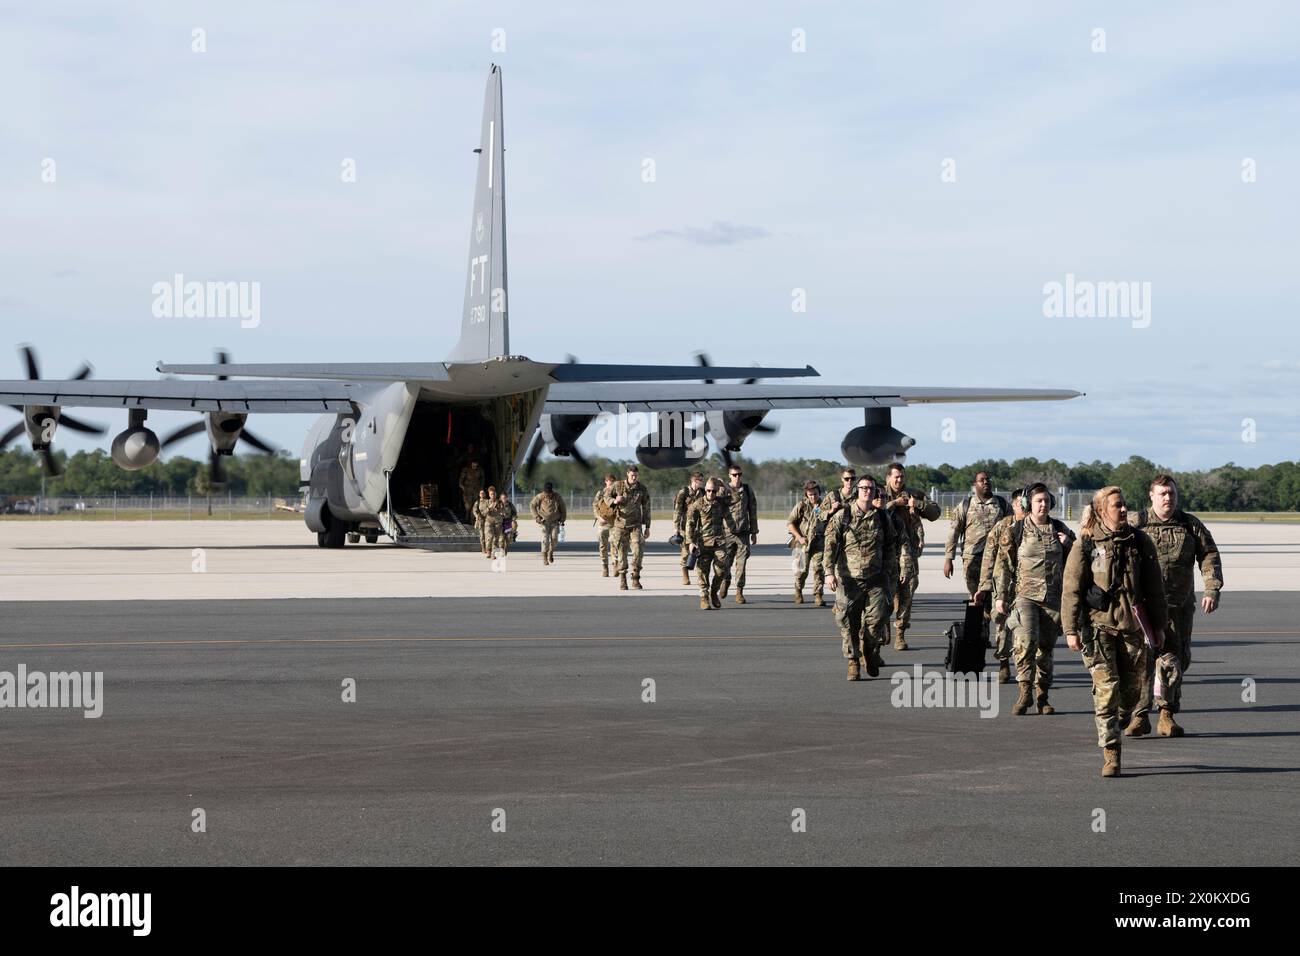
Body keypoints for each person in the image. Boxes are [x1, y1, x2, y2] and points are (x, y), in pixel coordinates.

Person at [1063, 486, 1168, 778]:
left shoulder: (1139, 541)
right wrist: (1071, 629)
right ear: (1100, 511)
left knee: (1132, 695)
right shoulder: (1085, 544)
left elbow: (1155, 588)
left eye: (1125, 505)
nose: (1123, 510)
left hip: (1132, 629)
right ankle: (1111, 752)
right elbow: (1071, 588)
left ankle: (1119, 721)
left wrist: (1158, 627)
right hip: (1098, 628)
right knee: (1106, 689)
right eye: (1117, 506)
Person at [1125, 474, 1223, 737]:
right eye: (1163, 493)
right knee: (1141, 661)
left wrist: (1212, 588)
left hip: (1177, 607)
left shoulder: (1190, 525)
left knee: (1173, 661)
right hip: (1141, 609)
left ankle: (1166, 714)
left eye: (1172, 493)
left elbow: (1209, 555)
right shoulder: (1136, 524)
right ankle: (1140, 715)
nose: (1168, 498)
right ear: (1152, 495)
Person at [993, 483, 1075, 716]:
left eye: (1046, 501)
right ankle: (1025, 691)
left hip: (1052, 599)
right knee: (1025, 643)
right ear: (1029, 504)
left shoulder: (1060, 528)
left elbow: (1080, 557)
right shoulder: (1016, 531)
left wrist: (1068, 544)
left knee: (1045, 650)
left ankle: (1043, 696)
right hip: (1025, 596)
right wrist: (1001, 596)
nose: (1043, 505)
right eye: (1038, 501)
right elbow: (1003, 566)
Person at [823, 475, 906, 680]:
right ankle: (853, 662)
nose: (867, 491)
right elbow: (830, 546)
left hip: (876, 579)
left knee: (877, 620)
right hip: (849, 580)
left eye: (871, 488)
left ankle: (869, 650)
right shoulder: (843, 516)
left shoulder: (882, 517)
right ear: (857, 490)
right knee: (847, 623)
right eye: (863, 488)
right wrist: (828, 572)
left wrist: (890, 576)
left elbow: (890, 548)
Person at [944, 471, 1009, 641]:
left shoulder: (1001, 504)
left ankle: (994, 633)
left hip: (996, 560)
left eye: (988, 479)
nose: (986, 482)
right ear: (975, 484)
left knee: (994, 596)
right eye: (982, 480)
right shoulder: (965, 505)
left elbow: (1012, 527)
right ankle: (980, 633)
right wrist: (948, 559)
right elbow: (953, 532)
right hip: (973, 559)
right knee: (976, 598)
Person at [883, 462, 940, 650]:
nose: (899, 480)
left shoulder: (913, 494)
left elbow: (935, 513)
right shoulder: (878, 493)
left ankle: (900, 632)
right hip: (885, 554)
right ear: (888, 478)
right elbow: (872, 511)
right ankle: (883, 626)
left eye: (902, 476)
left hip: (908, 553)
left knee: (907, 591)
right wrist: (893, 504)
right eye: (896, 476)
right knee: (884, 595)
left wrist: (919, 504)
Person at [975, 488, 1025, 683]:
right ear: (1013, 506)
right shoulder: (1002, 526)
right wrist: (984, 586)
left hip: (1028, 585)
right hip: (1003, 584)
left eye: (1025, 503)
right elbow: (989, 557)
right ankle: (1004, 663)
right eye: (1019, 504)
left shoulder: (1037, 526)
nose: (1023, 507)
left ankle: (1026, 668)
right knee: (1002, 626)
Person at [686, 477, 740, 610]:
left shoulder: (721, 502)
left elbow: (736, 498)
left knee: (721, 571)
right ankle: (704, 598)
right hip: (703, 543)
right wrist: (691, 542)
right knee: (703, 572)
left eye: (714, 491)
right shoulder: (697, 504)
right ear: (705, 490)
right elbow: (690, 524)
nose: (711, 494)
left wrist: (725, 486)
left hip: (719, 542)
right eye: (708, 491)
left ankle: (714, 593)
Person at [720, 465, 759, 604]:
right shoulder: (723, 490)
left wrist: (754, 532)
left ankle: (739, 591)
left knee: (741, 564)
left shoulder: (747, 490)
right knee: (726, 563)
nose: (737, 477)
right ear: (729, 476)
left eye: (739, 474)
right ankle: (726, 580)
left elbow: (752, 511)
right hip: (727, 533)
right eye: (734, 475)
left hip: (743, 533)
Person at [610, 465, 651, 590]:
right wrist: (614, 500)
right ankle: (623, 579)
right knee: (622, 552)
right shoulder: (617, 486)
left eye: (636, 475)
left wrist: (647, 526)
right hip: (620, 524)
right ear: (627, 474)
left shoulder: (642, 489)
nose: (634, 477)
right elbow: (605, 497)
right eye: (632, 475)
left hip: (635, 525)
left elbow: (647, 508)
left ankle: (635, 577)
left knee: (638, 549)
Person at [786, 480, 826, 605]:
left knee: (819, 569)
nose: (813, 497)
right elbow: (790, 524)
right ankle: (798, 590)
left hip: (819, 542)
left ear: (819, 493)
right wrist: (799, 537)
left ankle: (818, 595)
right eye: (810, 495)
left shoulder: (824, 506)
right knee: (802, 570)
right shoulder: (801, 506)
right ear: (806, 495)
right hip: (803, 542)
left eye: (815, 494)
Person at [673, 473, 705, 585]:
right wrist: (676, 527)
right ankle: (685, 575)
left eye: (702, 480)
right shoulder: (684, 492)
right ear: (695, 481)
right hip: (685, 527)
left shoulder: (703, 493)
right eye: (700, 480)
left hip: (700, 527)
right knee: (686, 552)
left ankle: (701, 576)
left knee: (700, 552)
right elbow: (677, 510)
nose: (702, 482)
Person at [530, 481, 568, 565]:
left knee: (554, 539)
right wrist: (536, 516)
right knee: (545, 539)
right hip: (544, 522)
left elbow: (563, 507)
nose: (548, 495)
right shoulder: (540, 497)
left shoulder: (557, 497)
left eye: (549, 493)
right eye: (546, 493)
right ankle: (544, 556)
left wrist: (562, 519)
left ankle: (551, 552)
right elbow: (532, 505)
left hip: (555, 522)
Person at [593, 473, 617, 577]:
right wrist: (599, 517)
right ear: (605, 482)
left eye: (613, 481)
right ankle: (605, 567)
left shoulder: (617, 493)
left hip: (614, 523)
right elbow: (595, 506)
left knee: (615, 544)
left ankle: (615, 564)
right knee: (602, 545)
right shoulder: (600, 493)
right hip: (603, 523)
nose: (611, 483)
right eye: (609, 481)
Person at [482, 485, 506, 558]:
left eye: (494, 494)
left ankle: (493, 553)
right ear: (489, 495)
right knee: (490, 536)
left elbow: (504, 511)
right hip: (489, 521)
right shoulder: (486, 502)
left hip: (498, 522)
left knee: (496, 538)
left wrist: (499, 510)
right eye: (491, 494)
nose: (493, 495)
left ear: (496, 494)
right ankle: (488, 551)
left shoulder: (499, 502)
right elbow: (483, 513)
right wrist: (489, 508)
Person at [472, 488, 489, 556]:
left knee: (487, 535)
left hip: (487, 520)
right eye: (481, 493)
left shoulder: (488, 501)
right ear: (479, 495)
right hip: (480, 520)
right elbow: (474, 510)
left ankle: (488, 548)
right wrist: (476, 516)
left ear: (485, 494)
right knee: (482, 535)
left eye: (483, 493)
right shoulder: (477, 502)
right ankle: (483, 548)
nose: (482, 494)